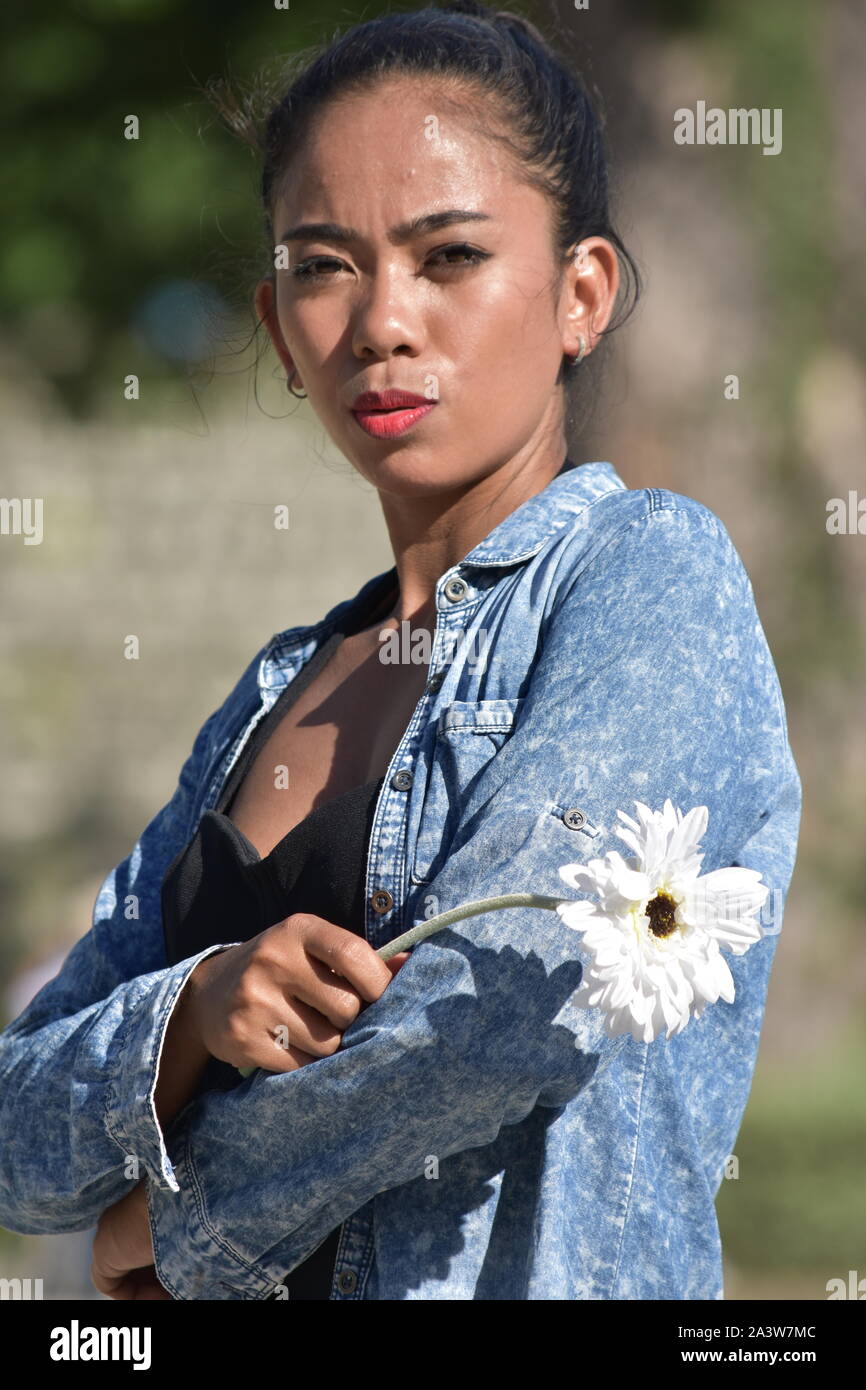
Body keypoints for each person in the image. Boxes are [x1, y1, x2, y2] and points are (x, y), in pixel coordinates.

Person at [0, 1, 801, 1301]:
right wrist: (194, 1008)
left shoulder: (643, 572)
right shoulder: (272, 690)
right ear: (274, 327)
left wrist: (180, 1226)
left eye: (448, 256)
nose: (380, 320)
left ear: (580, 292)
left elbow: (503, 1007)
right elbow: (16, 1123)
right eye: (323, 266)